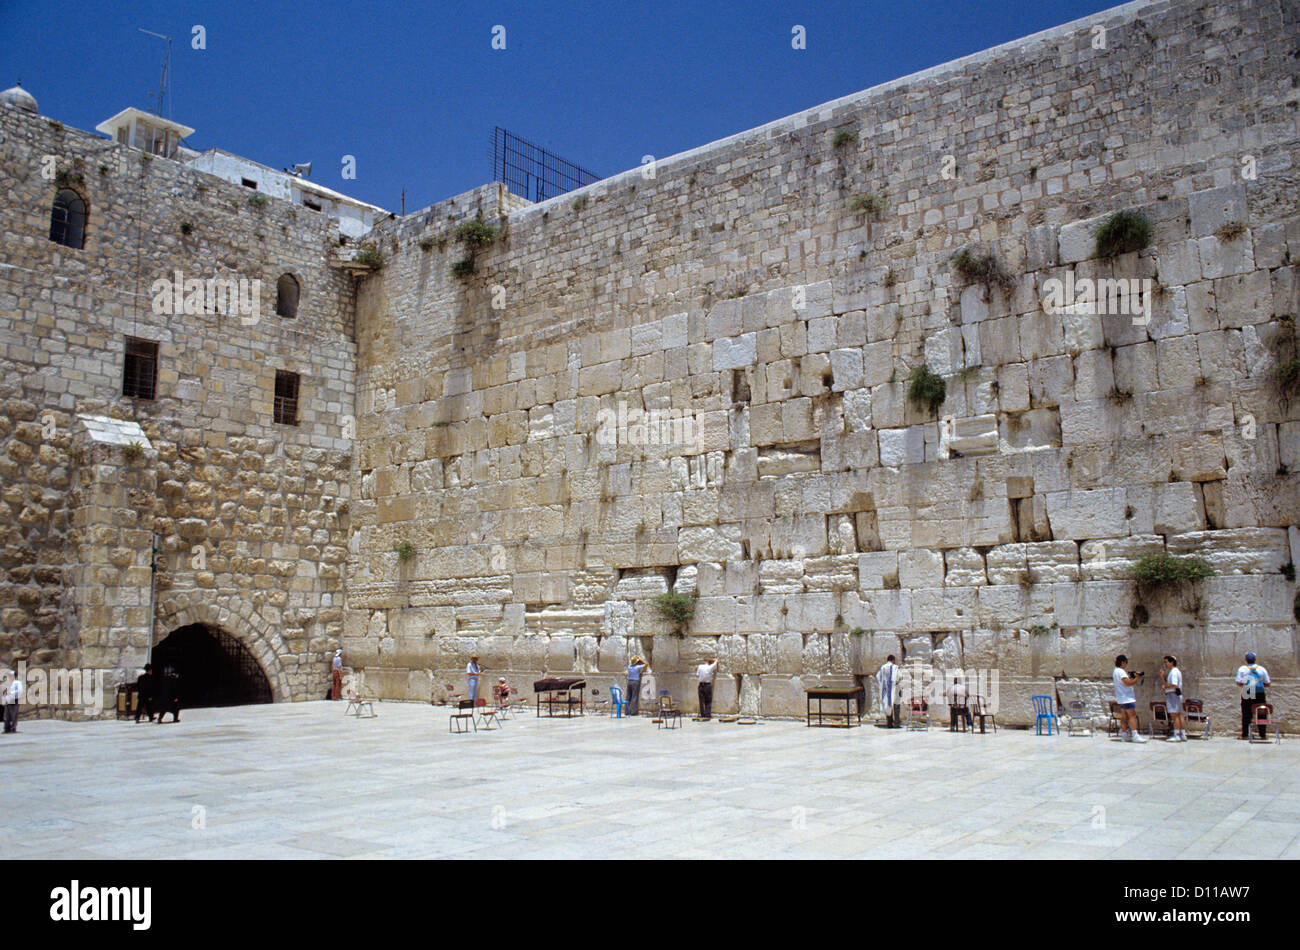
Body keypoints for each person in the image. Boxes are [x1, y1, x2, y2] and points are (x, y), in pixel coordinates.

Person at [1236, 652, 1271, 740]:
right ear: (1255, 659)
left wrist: (1248, 681)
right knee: (1261, 713)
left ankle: (1245, 734)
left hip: (1247, 692)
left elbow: (1239, 683)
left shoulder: (1243, 669)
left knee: (1246, 714)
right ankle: (1263, 735)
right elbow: (1268, 683)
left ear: (1246, 660)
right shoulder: (1261, 669)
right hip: (1259, 693)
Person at [1113, 655, 1146, 743]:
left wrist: (1131, 677)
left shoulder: (1115, 671)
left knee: (1124, 717)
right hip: (1127, 697)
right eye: (1126, 663)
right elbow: (1128, 683)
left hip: (1121, 697)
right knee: (1132, 716)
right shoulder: (1121, 672)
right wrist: (1137, 678)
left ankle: (1124, 735)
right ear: (1123, 662)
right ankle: (1135, 735)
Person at [1159, 655, 1186, 742]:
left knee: (1174, 716)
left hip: (1173, 695)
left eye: (1166, 662)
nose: (1165, 664)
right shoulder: (1175, 671)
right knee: (1179, 715)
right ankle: (1182, 734)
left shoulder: (1174, 672)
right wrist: (1163, 678)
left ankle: (1177, 735)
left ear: (1172, 662)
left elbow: (1174, 685)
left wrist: (1165, 686)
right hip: (1176, 695)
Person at [876, 655, 901, 727]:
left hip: (885, 691)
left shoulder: (882, 668)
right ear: (893, 660)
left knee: (887, 705)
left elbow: (878, 676)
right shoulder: (895, 667)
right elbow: (900, 677)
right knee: (896, 705)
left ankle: (889, 722)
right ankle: (896, 723)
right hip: (894, 689)